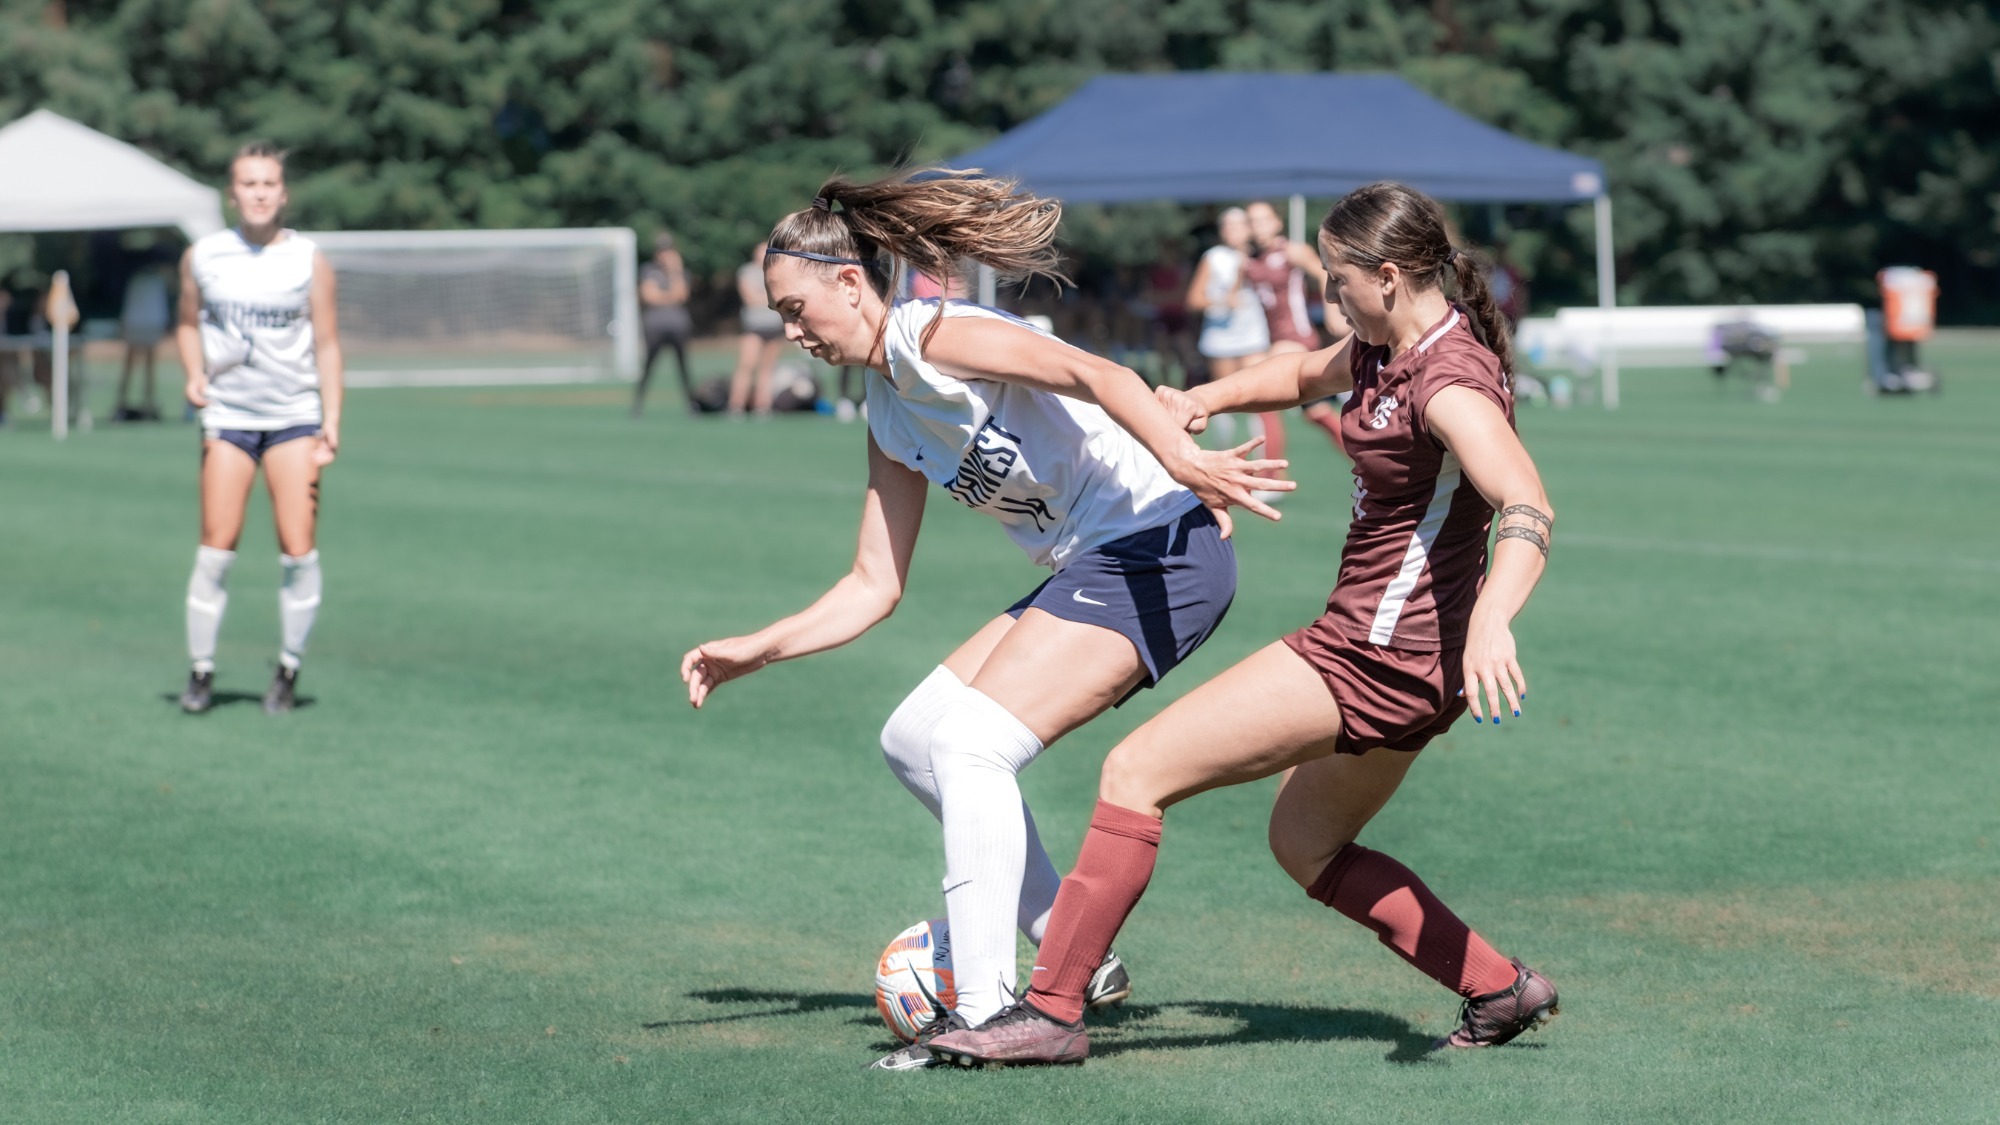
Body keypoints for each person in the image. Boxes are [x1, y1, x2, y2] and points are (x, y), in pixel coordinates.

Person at [928, 181, 1561, 1067]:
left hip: (1378, 655)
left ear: (1386, 275)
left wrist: (1496, 616)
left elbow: (1526, 502)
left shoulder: (1448, 382)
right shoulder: (1390, 342)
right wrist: (1202, 400)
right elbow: (1304, 371)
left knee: (1135, 769)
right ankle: (1500, 985)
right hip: (1414, 661)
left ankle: (1051, 1009)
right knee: (1306, 843)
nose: (1327, 296)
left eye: (1338, 281)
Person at [678, 169, 1289, 1070]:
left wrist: (1184, 459)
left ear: (851, 282)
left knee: (968, 744)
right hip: (1097, 562)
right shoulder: (888, 409)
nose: (792, 332)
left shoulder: (937, 337)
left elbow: (1096, 371)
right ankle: (1072, 953)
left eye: (798, 308)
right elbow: (873, 583)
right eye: (781, 317)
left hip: (1163, 547)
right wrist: (756, 649)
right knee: (913, 734)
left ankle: (992, 1008)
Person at [174, 141, 343, 716]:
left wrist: (332, 419)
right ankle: (201, 673)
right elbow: (186, 323)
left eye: (269, 183)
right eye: (249, 183)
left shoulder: (309, 260)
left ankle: (289, 669)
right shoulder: (203, 256)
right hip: (229, 419)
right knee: (216, 549)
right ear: (233, 193)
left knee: (298, 550)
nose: (260, 193)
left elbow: (327, 342)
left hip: (294, 419)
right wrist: (194, 374)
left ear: (284, 192)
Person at [1185, 207, 1269, 450]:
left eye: (1239, 225)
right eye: (1228, 226)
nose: (1234, 231)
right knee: (1225, 400)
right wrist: (1223, 301)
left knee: (1260, 397)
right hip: (1221, 338)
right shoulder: (1214, 257)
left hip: (1253, 335)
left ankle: (1264, 458)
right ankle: (1226, 453)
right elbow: (1194, 299)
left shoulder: (1260, 255)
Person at [631, 231, 694, 417]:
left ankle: (691, 405)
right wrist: (669, 297)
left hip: (678, 326)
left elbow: (682, 295)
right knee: (648, 366)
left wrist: (674, 272)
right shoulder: (648, 270)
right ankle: (638, 404)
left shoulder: (680, 272)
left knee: (683, 367)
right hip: (655, 326)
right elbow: (650, 296)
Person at [726, 242, 787, 415]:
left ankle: (763, 406)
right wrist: (769, 299)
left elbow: (781, 297)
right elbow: (751, 298)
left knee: (767, 368)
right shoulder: (747, 272)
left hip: (773, 327)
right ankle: (736, 405)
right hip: (753, 327)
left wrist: (767, 299)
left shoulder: (777, 271)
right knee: (746, 365)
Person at [116, 260, 174, 421]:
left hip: (139, 322)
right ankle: (138, 402)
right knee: (143, 365)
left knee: (139, 365)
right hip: (146, 322)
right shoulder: (151, 280)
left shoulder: (140, 279)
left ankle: (138, 402)